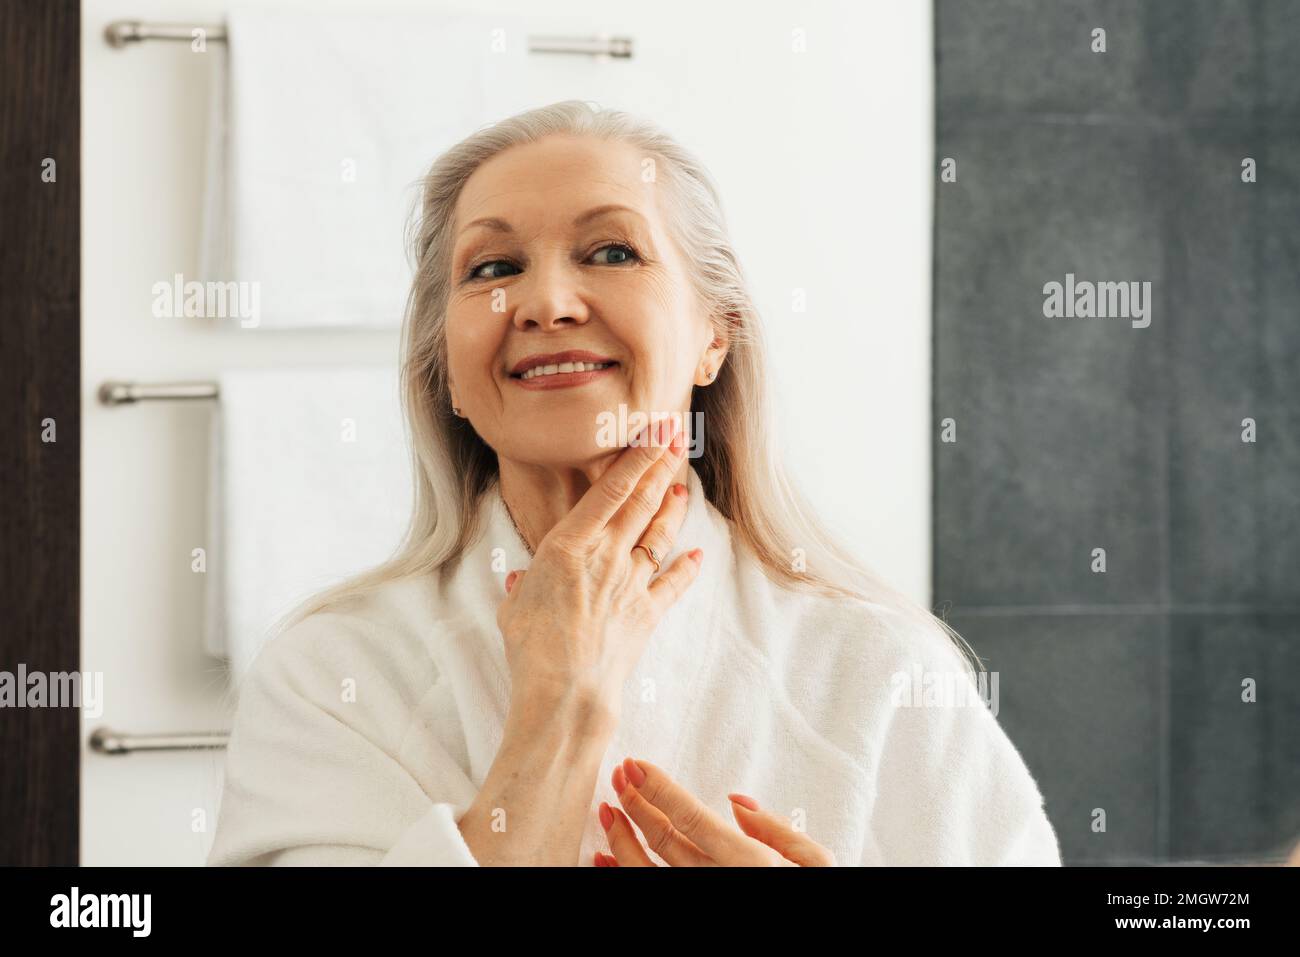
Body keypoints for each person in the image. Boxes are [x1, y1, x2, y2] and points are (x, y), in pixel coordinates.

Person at [207, 100, 1061, 867]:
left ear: (712, 338)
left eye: (611, 251)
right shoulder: (331, 672)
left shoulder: (879, 671)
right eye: (492, 268)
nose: (544, 301)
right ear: (450, 375)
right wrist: (561, 700)